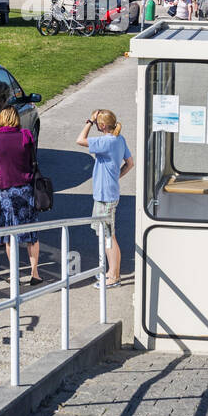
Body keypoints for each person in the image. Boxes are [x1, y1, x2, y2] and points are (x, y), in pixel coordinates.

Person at [0, 107, 42, 284]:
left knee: (10, 232)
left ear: (0, 120)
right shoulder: (26, 136)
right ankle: (35, 273)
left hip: (7, 190)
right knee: (31, 232)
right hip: (26, 188)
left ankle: (14, 273)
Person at [76, 109, 132, 287]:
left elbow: (80, 140)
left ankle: (114, 276)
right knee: (106, 235)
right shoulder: (119, 139)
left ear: (101, 125)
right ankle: (111, 272)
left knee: (109, 237)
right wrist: (117, 177)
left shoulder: (106, 141)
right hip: (108, 193)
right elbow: (130, 163)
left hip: (105, 196)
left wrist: (89, 121)